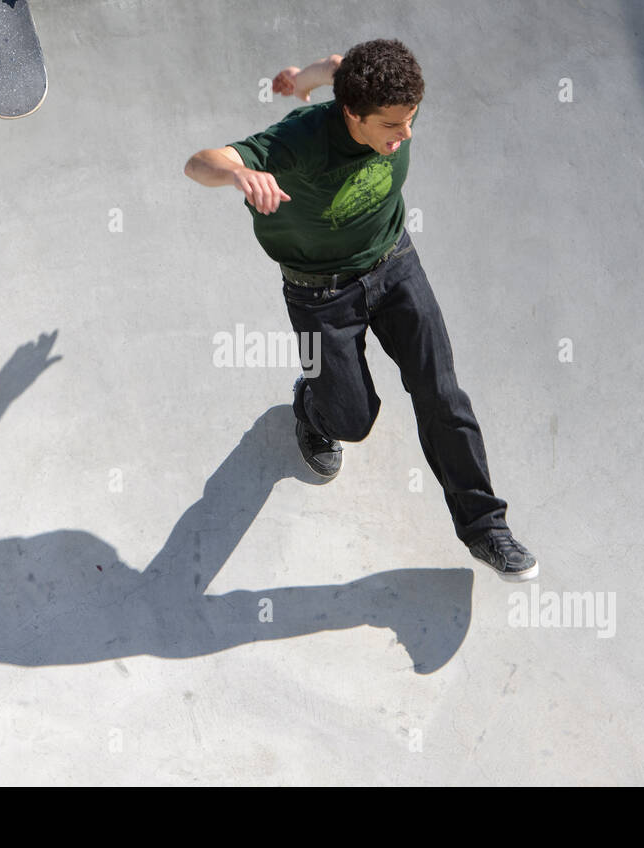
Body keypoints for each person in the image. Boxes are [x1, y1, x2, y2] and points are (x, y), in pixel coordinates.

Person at [183, 39, 537, 581]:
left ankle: (486, 528)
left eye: (412, 121)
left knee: (441, 393)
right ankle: (312, 406)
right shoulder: (299, 140)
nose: (405, 136)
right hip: (317, 295)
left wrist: (306, 74)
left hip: (395, 264)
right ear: (352, 114)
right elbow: (199, 163)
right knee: (353, 420)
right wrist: (238, 175)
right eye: (392, 127)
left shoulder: (373, 86)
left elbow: (340, 64)